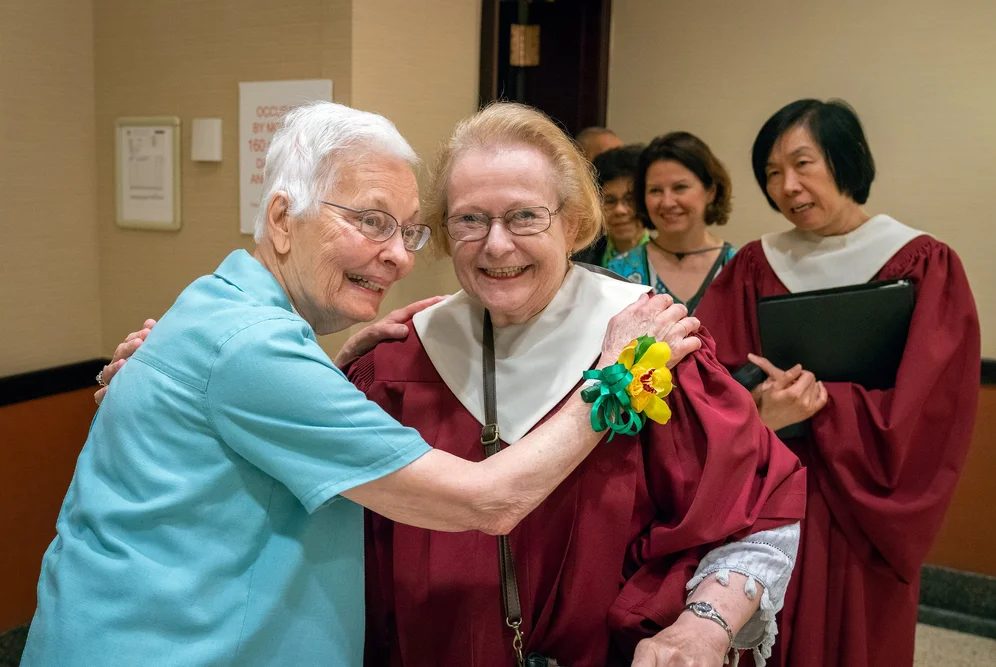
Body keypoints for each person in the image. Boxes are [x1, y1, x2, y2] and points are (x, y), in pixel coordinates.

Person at [102, 102, 807, 667]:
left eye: (525, 216)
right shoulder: (391, 364)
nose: (496, 245)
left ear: (575, 222)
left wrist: (706, 624)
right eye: (469, 220)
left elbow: (763, 510)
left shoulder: (654, 351)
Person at [696, 99, 981, 667]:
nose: (788, 186)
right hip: (771, 491)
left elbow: (933, 408)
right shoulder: (755, 264)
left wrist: (826, 408)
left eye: (804, 164)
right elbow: (711, 378)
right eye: (773, 172)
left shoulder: (922, 263)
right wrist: (757, 407)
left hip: (865, 501)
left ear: (846, 160)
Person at [606, 132, 737, 313]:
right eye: (655, 190)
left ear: (711, 192)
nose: (667, 202)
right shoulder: (618, 273)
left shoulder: (740, 268)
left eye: (680, 187)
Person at [572, 144, 649, 267]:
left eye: (630, 199)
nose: (620, 210)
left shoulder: (669, 254)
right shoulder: (578, 260)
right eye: (610, 200)